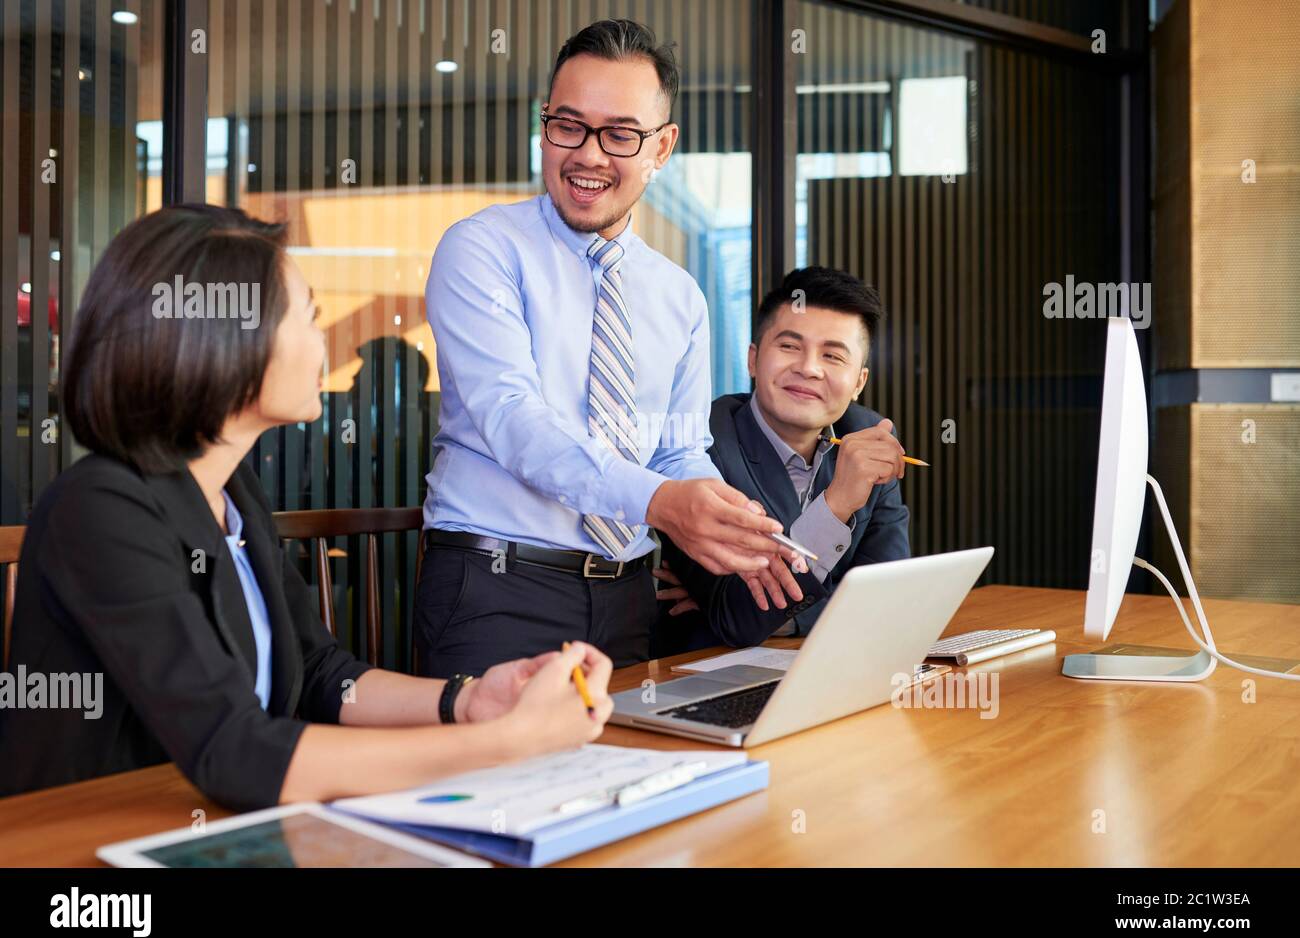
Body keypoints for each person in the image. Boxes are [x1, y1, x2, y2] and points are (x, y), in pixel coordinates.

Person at [0, 204, 614, 812]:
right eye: (310, 317)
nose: (324, 344)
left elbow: (322, 674)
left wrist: (469, 701)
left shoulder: (231, 491)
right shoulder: (101, 509)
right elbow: (234, 749)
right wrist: (499, 743)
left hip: (214, 831)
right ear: (225, 339)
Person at [415, 19, 786, 679]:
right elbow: (514, 419)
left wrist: (732, 521)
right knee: (498, 784)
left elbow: (676, 448)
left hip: (626, 595)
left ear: (663, 147)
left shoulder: (680, 295)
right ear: (544, 123)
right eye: (568, 124)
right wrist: (662, 504)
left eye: (619, 133)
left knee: (626, 779)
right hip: (496, 590)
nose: (587, 154)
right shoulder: (482, 250)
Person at [654, 267, 911, 652]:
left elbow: (889, 599)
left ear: (859, 382)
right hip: (712, 676)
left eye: (832, 355)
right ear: (753, 360)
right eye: (790, 346)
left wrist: (788, 619)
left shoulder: (870, 439)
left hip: (830, 668)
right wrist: (837, 504)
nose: (808, 368)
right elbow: (738, 619)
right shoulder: (698, 445)